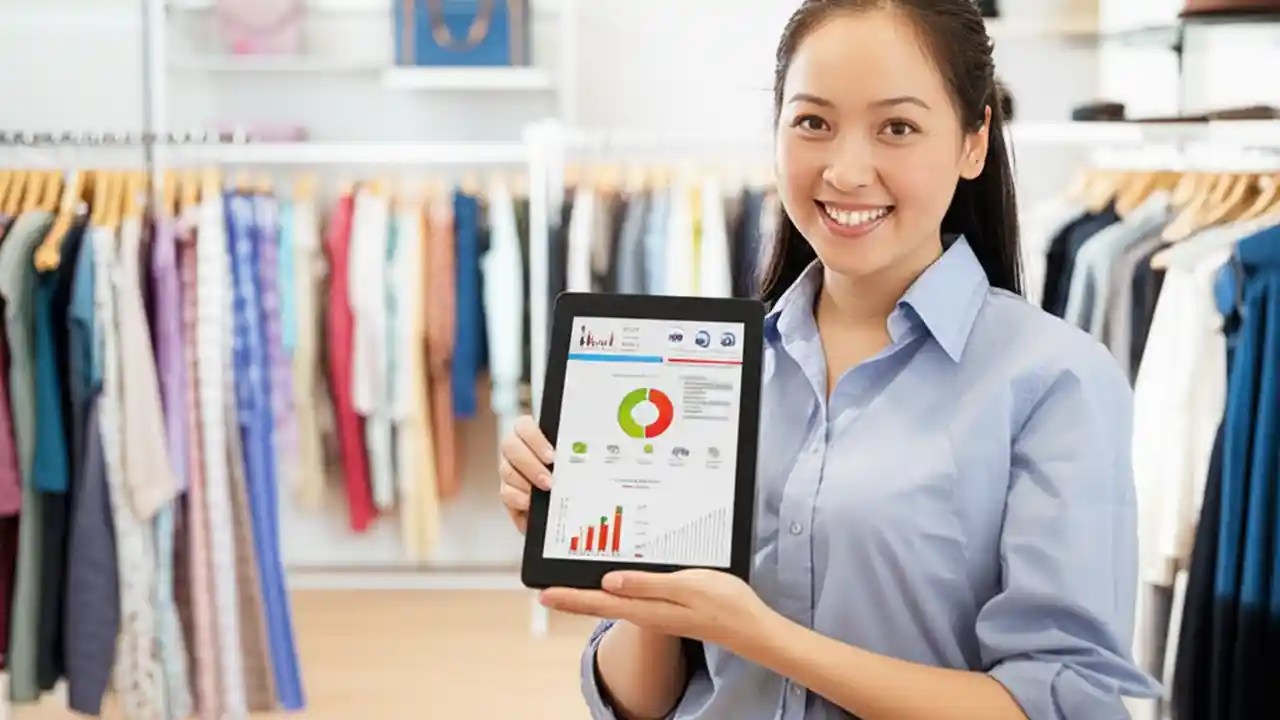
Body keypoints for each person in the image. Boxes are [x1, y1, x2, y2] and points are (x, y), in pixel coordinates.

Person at [497, 1, 1162, 717]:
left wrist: (764, 636)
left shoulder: (1055, 380)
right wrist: (628, 576)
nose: (846, 171)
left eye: (897, 128)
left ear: (974, 142)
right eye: (812, 122)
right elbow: (639, 702)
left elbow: (1061, 704)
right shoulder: (709, 369)